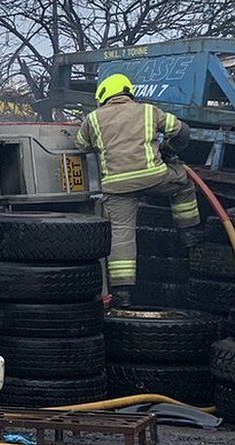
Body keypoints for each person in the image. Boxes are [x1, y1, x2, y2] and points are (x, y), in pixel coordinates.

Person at [75, 73, 201, 307]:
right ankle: (189, 233)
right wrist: (169, 149)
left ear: (103, 96)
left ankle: (122, 293)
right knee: (183, 184)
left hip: (116, 186)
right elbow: (180, 130)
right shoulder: (148, 111)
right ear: (128, 92)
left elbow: (80, 145)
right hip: (153, 177)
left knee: (121, 234)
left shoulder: (92, 119)